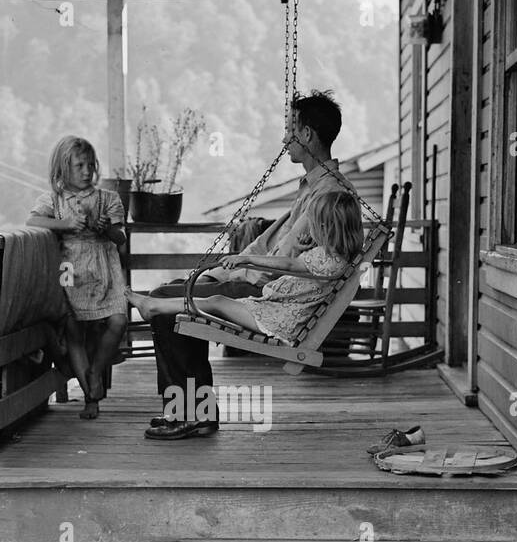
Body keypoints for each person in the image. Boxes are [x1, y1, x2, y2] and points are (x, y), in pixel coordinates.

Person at [142, 90, 350, 440]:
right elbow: (270, 241)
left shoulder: (326, 195)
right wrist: (219, 272)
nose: (285, 139)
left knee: (165, 304)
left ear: (307, 135)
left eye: (290, 129)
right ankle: (191, 412)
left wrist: (233, 272)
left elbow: (276, 262)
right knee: (169, 294)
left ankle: (190, 414)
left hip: (265, 293)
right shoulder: (313, 187)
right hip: (260, 282)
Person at [128, 190, 363, 352]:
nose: (309, 229)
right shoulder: (336, 258)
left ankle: (153, 306)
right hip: (276, 313)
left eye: (312, 223)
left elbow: (289, 264)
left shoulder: (325, 258)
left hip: (277, 321)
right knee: (215, 301)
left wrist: (246, 257)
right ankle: (154, 305)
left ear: (325, 227)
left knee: (217, 301)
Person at [28, 136, 127, 419]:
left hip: (104, 266)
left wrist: (105, 229)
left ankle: (96, 370)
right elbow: (32, 221)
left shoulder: (108, 198)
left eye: (90, 165)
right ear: (62, 169)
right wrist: (65, 224)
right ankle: (90, 397)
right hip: (70, 269)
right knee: (75, 331)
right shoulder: (53, 200)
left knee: (118, 320)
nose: (86, 172)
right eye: (78, 166)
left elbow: (120, 239)